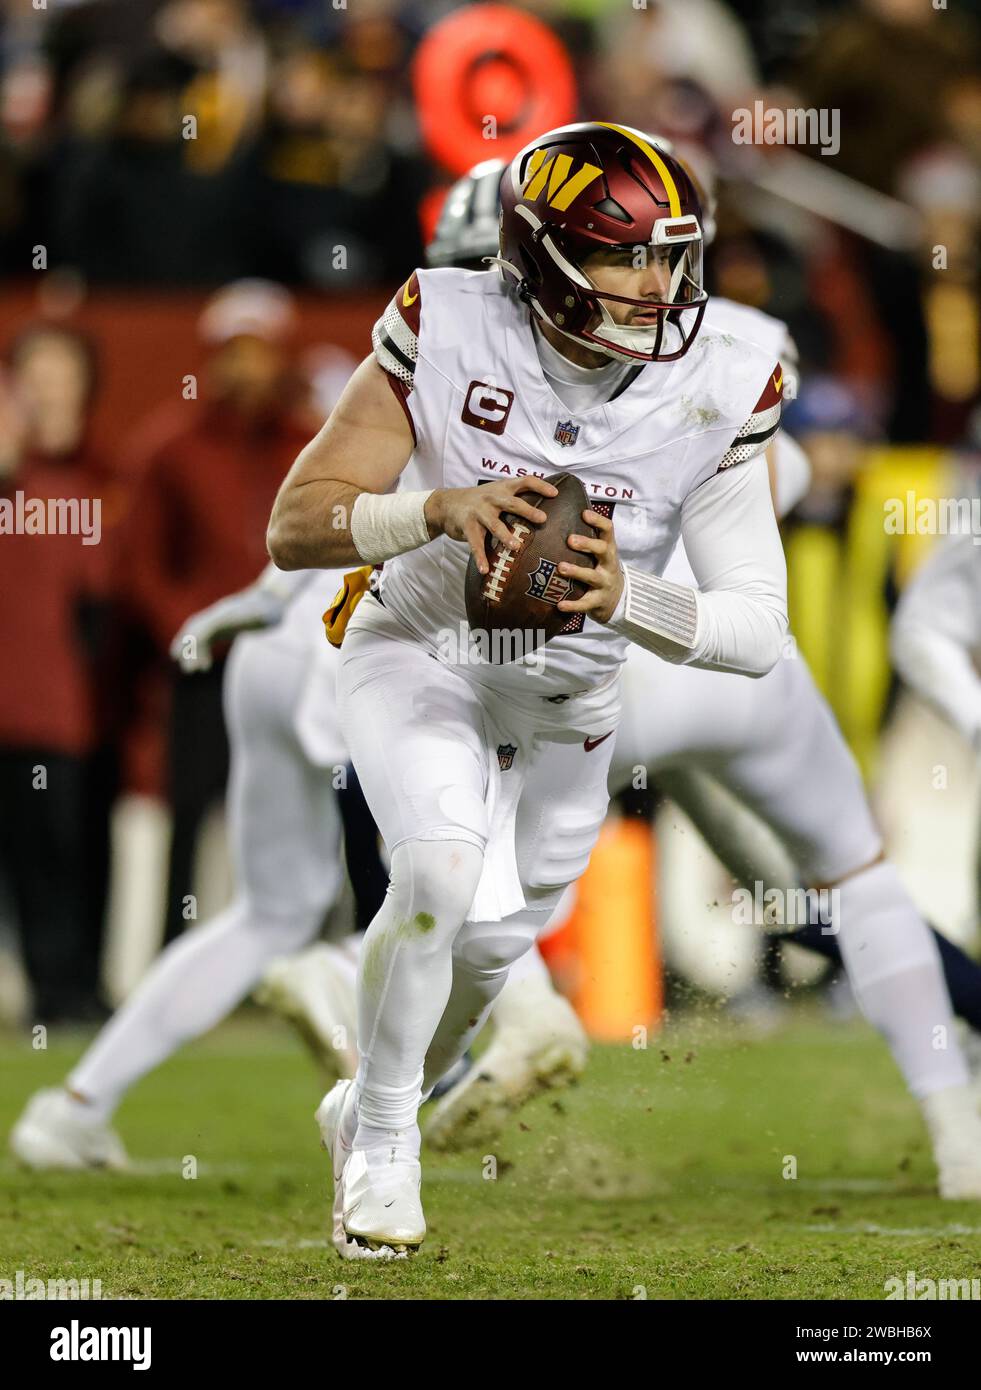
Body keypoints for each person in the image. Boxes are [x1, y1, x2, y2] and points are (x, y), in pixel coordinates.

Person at [266, 121, 794, 1259]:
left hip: (571, 698)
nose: (663, 287)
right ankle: (386, 1145)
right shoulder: (446, 322)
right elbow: (294, 526)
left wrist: (627, 600)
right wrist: (434, 511)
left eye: (676, 258)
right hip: (421, 642)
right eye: (629, 257)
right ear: (545, 257)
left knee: (491, 950)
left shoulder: (719, 386)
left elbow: (756, 632)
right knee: (439, 868)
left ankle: (358, 1112)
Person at [0, 324, 119, 1024]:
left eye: (60, 373)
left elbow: (112, 591)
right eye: (32, 374)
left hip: (85, 706)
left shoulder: (103, 479)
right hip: (23, 706)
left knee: (81, 849)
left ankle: (82, 987)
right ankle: (52, 993)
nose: (46, 389)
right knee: (33, 857)